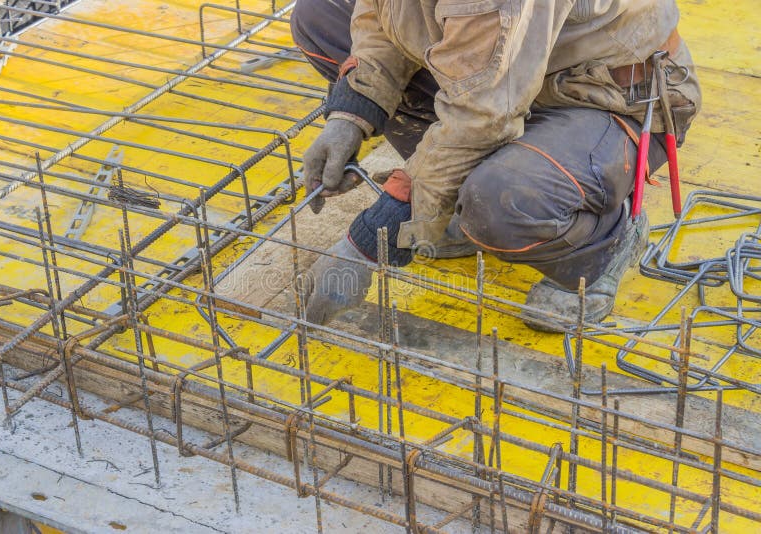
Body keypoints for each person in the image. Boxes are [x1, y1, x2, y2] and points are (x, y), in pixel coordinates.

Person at [291, 0, 701, 330]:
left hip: (599, 95)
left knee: (502, 201)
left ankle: (606, 243)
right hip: (500, 77)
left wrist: (372, 239)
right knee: (319, 17)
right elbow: (383, 16)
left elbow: (483, 115)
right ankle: (451, 199)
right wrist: (351, 114)